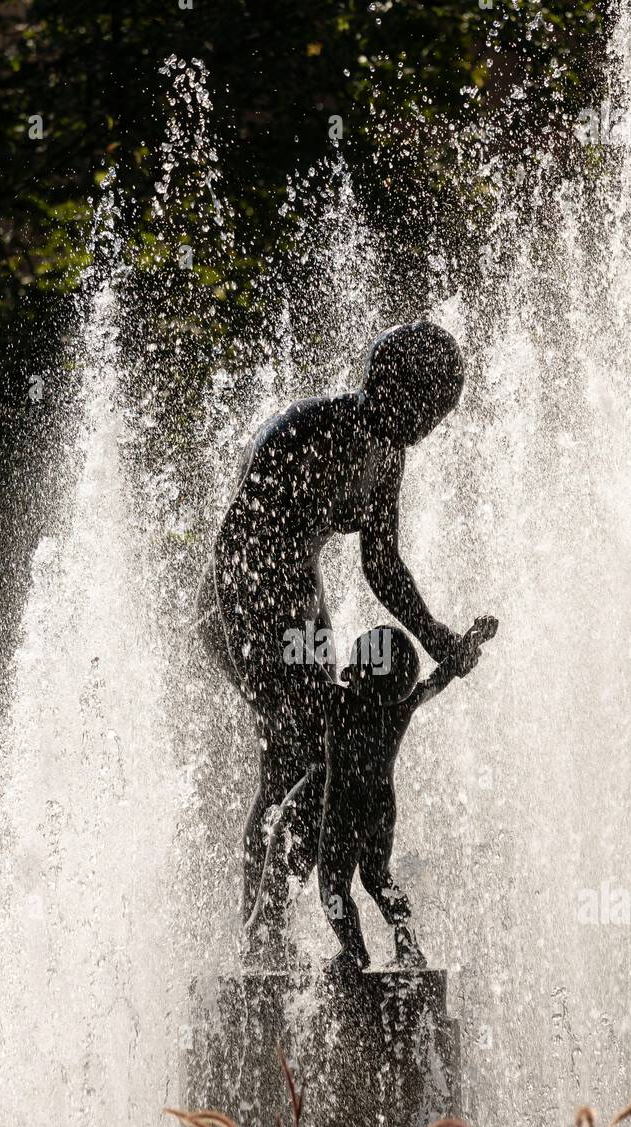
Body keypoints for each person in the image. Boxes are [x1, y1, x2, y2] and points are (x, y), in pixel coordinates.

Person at [197, 320, 473, 942]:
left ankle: (274, 924)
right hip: (241, 598)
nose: (430, 427)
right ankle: (262, 934)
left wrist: (437, 639)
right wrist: (282, 640)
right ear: (391, 384)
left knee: (320, 756)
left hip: (297, 604)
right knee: (294, 752)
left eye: (439, 412)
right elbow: (246, 539)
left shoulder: (386, 453)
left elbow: (381, 562)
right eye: (428, 405)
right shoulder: (313, 428)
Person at [246, 618, 498, 975]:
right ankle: (408, 945)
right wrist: (466, 647)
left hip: (342, 813)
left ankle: (353, 949)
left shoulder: (338, 703)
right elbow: (439, 679)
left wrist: (283, 640)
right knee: (377, 878)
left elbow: (306, 678)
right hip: (380, 810)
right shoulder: (400, 707)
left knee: (333, 887)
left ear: (358, 673)